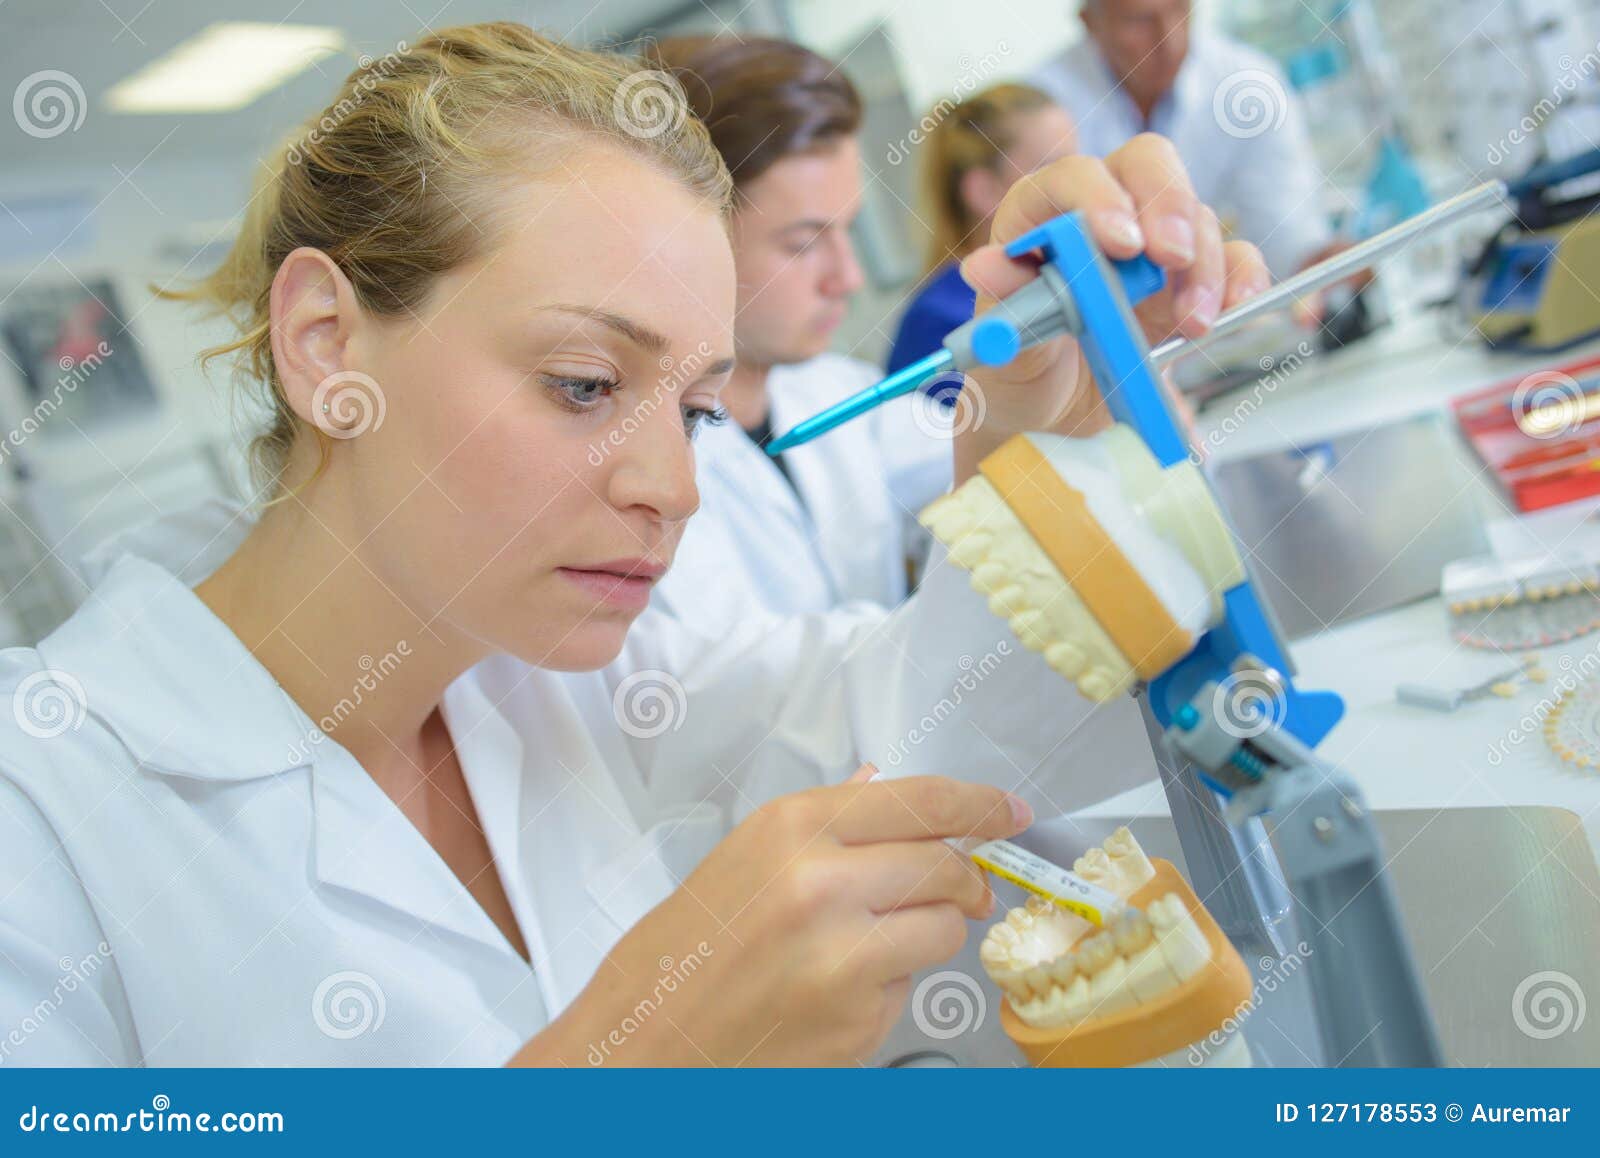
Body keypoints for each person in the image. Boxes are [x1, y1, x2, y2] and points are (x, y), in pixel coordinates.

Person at [0, 23, 1268, 1066]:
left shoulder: (566, 671)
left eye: (701, 410)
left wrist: (1041, 431)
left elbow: (924, 728)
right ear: (329, 345)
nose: (676, 488)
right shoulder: (43, 820)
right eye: (585, 383)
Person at [642, 36, 951, 632]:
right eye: (805, 243)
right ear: (689, 241)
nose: (848, 278)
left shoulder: (836, 389)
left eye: (848, 232)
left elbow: (982, 467)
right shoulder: (632, 466)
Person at [1031, 0, 1344, 283]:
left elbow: (1285, 234)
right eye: (1139, 21)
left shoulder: (1249, 87)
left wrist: (1320, 267)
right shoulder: (1038, 111)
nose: (1170, 39)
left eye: (1180, 9)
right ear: (1091, 23)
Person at [887, 83, 1078, 376]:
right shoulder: (938, 323)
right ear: (985, 191)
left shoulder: (1056, 280)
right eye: (1053, 170)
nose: (1081, 187)